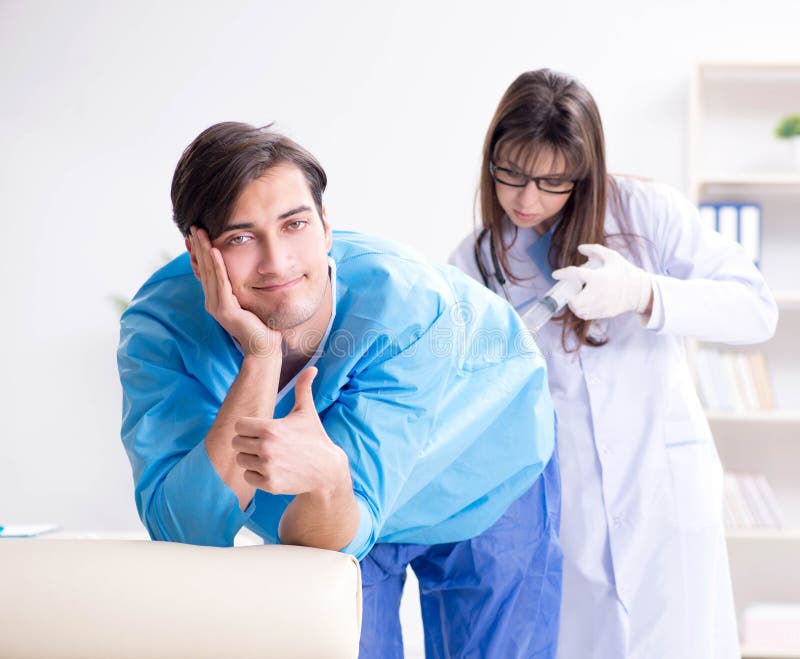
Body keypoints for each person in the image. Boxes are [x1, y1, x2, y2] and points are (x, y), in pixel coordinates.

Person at [117, 121, 562, 658]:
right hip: (333, 509)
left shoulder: (406, 306)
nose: (277, 262)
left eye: (295, 225)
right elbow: (187, 534)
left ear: (326, 226)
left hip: (481, 462)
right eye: (240, 238)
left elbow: (358, 499)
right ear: (197, 254)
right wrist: (261, 359)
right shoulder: (160, 327)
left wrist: (332, 480)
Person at [449, 69, 778, 659]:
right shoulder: (476, 263)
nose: (527, 200)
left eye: (552, 182)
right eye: (512, 174)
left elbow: (756, 310)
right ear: (490, 157)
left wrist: (646, 294)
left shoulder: (646, 214)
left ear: (584, 172)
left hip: (663, 493)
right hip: (564, 507)